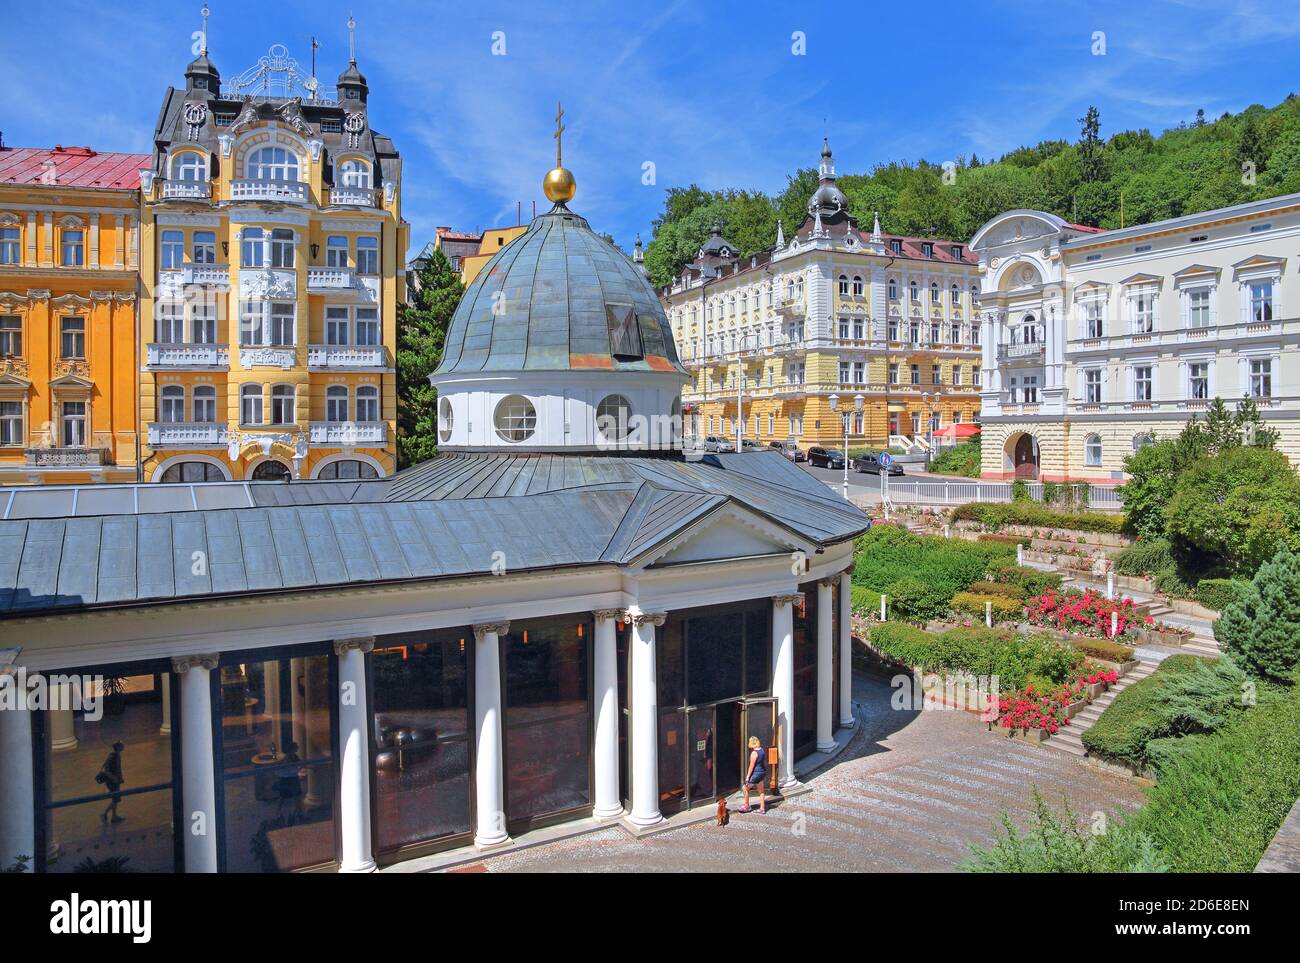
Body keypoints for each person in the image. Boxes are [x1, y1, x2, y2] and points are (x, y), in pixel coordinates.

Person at [276, 742, 304, 825]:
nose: (297, 748)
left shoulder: (294, 757)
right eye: (296, 747)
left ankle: (298, 812)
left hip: (293, 778)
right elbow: (292, 766)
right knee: (284, 796)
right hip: (287, 779)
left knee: (297, 795)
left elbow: (300, 763)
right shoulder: (286, 758)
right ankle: (279, 812)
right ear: (292, 749)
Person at [97, 741, 125, 824]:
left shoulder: (117, 755)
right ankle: (104, 813)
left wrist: (120, 778)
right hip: (112, 781)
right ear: (118, 747)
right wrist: (114, 779)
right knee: (115, 799)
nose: (124, 746)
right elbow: (107, 770)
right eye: (122, 745)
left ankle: (114, 816)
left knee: (115, 799)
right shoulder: (113, 756)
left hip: (115, 780)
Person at [738, 736, 768, 813]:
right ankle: (762, 808)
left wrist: (748, 776)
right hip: (762, 772)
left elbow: (751, 766)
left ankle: (747, 806)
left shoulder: (754, 753)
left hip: (756, 774)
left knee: (745, 788)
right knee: (761, 791)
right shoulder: (761, 750)